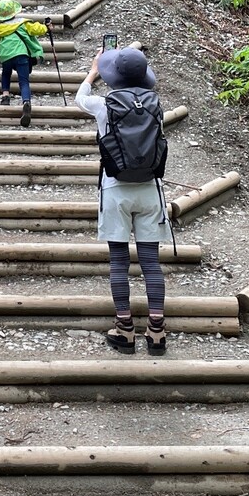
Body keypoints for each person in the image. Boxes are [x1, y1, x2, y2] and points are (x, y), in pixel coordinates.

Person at [76, 46, 172, 355]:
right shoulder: (154, 104)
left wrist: (93, 71)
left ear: (112, 77)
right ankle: (156, 333)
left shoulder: (103, 105)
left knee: (119, 261)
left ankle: (125, 329)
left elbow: (79, 99)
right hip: (150, 188)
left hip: (115, 188)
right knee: (151, 262)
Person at [0, 0, 47, 127]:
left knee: (6, 74)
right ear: (14, 12)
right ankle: (26, 102)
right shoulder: (23, 23)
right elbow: (37, 29)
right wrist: (46, 27)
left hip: (6, 56)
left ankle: (5, 96)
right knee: (24, 81)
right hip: (21, 55)